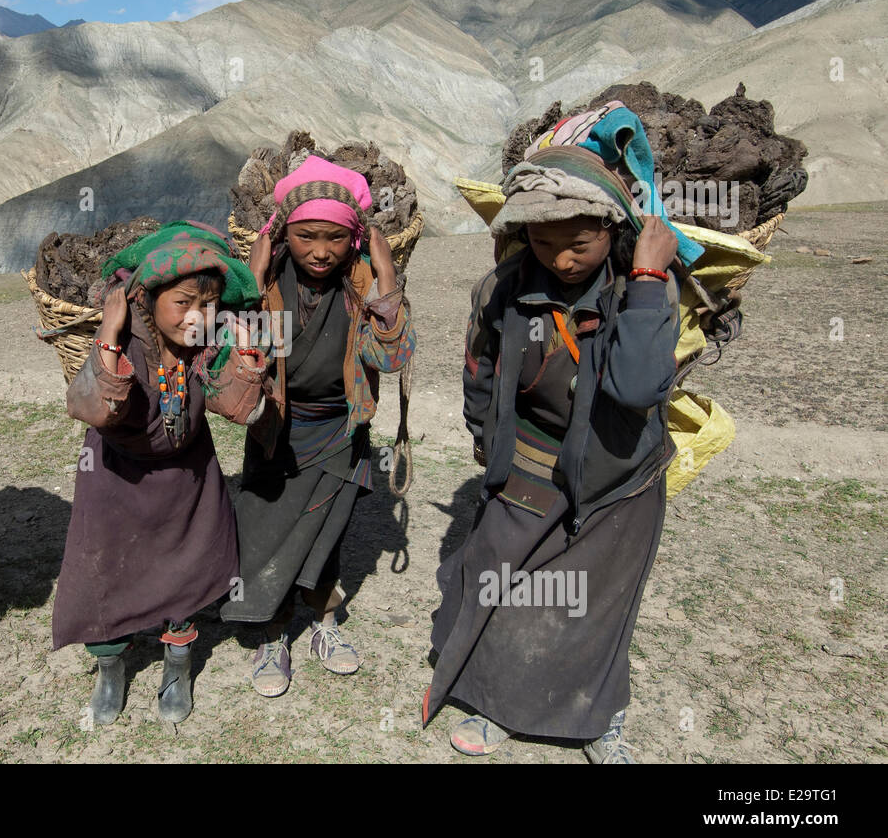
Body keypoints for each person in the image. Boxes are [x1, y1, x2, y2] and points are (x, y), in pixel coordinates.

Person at [424, 142, 681, 763]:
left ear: (611, 231)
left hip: (618, 480)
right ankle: (496, 702)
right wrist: (490, 443)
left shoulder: (644, 289)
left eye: (579, 245)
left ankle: (596, 719)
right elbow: (480, 369)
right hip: (530, 467)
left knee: (592, 608)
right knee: (504, 590)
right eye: (543, 243)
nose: (561, 259)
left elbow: (638, 385)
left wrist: (647, 276)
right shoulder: (505, 287)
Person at [52, 221, 267, 725]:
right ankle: (111, 667)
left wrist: (244, 355)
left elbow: (239, 409)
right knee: (105, 574)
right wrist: (108, 327)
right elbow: (96, 409)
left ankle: (178, 662)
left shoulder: (206, 346)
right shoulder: (125, 342)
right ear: (146, 299)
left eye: (209, 304)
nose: (197, 316)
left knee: (186, 574)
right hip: (115, 483)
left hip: (187, 479)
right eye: (184, 302)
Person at [220, 156, 416, 697]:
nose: (321, 251)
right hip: (277, 430)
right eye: (307, 236)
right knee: (263, 530)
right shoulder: (269, 283)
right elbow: (241, 356)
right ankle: (272, 633)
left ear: (355, 239)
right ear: (285, 232)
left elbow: (392, 354)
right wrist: (254, 278)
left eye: (335, 238)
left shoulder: (360, 282)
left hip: (340, 430)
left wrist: (388, 278)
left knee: (326, 534)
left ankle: (324, 621)